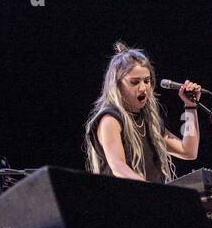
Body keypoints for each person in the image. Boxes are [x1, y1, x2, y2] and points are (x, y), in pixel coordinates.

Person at [84, 42, 201, 183]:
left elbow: (188, 151)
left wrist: (190, 107)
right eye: (135, 82)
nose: (143, 88)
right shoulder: (111, 119)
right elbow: (118, 167)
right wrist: (151, 191)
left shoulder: (149, 122)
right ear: (117, 85)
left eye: (147, 81)